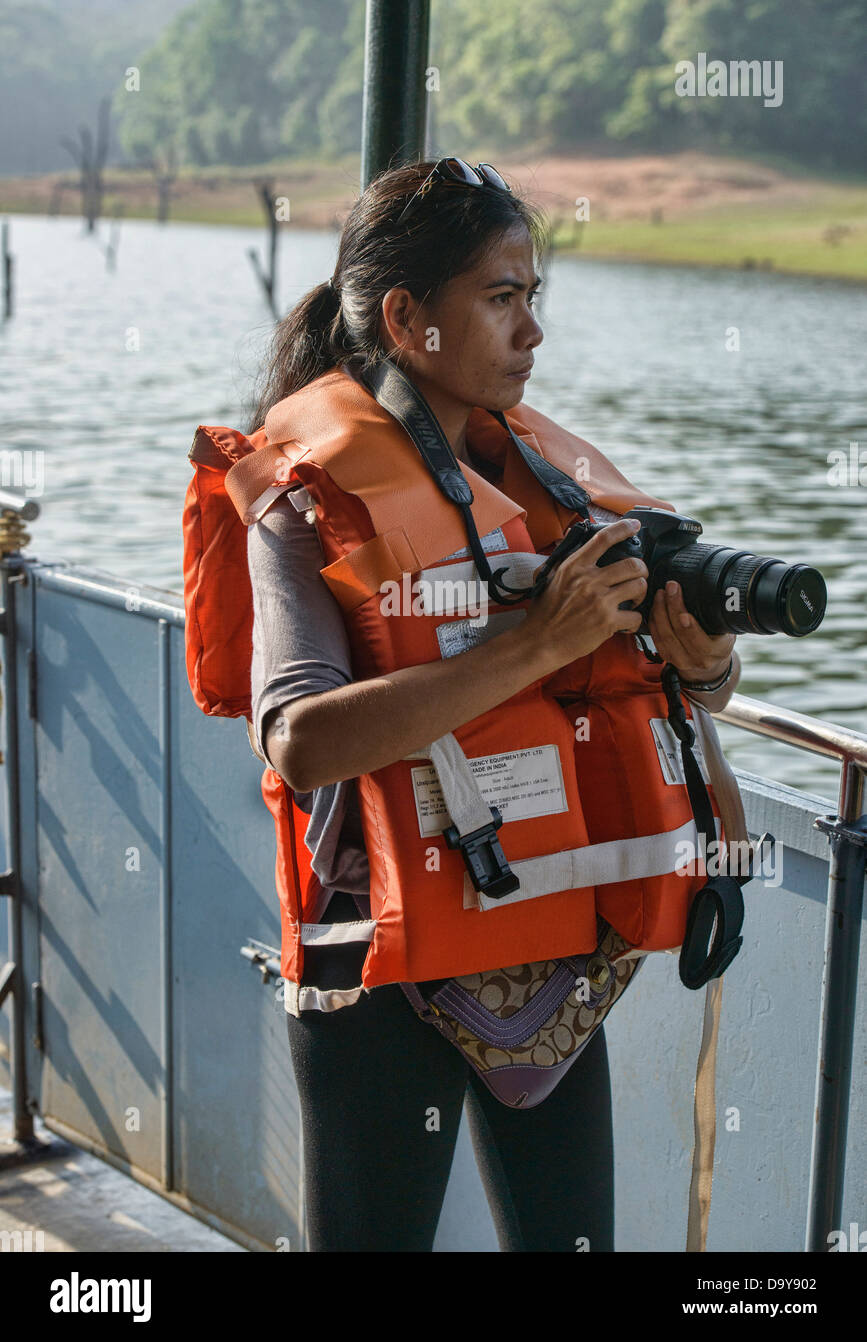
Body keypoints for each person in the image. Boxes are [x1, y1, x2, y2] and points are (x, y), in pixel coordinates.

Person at [245, 159, 740, 1252]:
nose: (533, 333)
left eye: (535, 298)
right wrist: (533, 643)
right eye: (502, 298)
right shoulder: (305, 504)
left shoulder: (557, 487)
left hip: (550, 950)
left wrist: (704, 666)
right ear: (407, 317)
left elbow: (655, 684)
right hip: (379, 962)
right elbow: (301, 739)